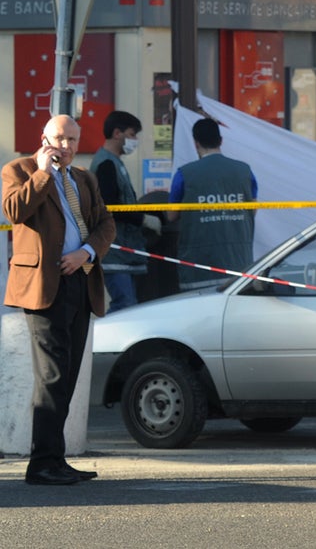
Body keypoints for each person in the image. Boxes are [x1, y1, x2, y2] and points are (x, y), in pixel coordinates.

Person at [2, 115, 116, 485]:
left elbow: (106, 224)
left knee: (67, 375)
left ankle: (55, 458)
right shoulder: (19, 170)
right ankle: (41, 464)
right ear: (44, 138)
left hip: (80, 280)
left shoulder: (84, 178)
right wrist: (42, 173)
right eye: (59, 138)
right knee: (52, 376)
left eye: (71, 140)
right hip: (42, 285)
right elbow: (15, 210)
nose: (65, 147)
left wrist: (86, 252)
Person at [168, 118, 258, 291]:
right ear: (221, 140)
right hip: (239, 266)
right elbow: (252, 211)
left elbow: (171, 215)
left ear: (196, 143)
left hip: (199, 267)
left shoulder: (184, 174)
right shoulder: (245, 171)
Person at [89, 111, 162, 312]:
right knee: (125, 304)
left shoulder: (115, 162)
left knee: (130, 306)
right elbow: (111, 207)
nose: (135, 140)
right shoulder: (106, 164)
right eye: (132, 134)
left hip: (123, 248)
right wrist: (144, 219)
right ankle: (106, 335)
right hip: (114, 249)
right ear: (117, 133)